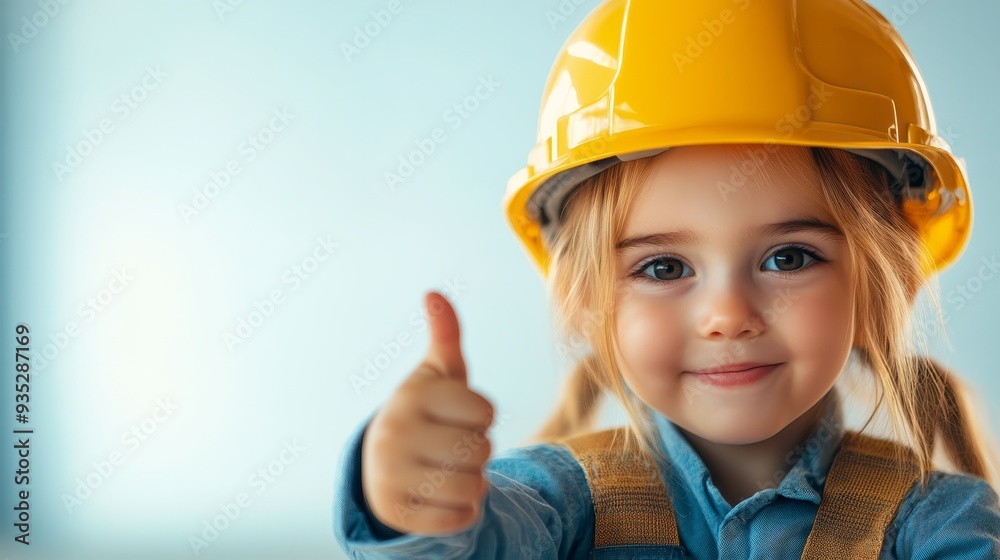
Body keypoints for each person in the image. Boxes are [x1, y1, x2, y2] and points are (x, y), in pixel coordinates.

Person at [333, 0, 1000, 557]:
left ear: (880, 286)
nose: (727, 314)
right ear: (591, 303)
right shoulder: (557, 504)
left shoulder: (937, 526)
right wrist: (408, 497)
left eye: (789, 257)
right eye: (663, 267)